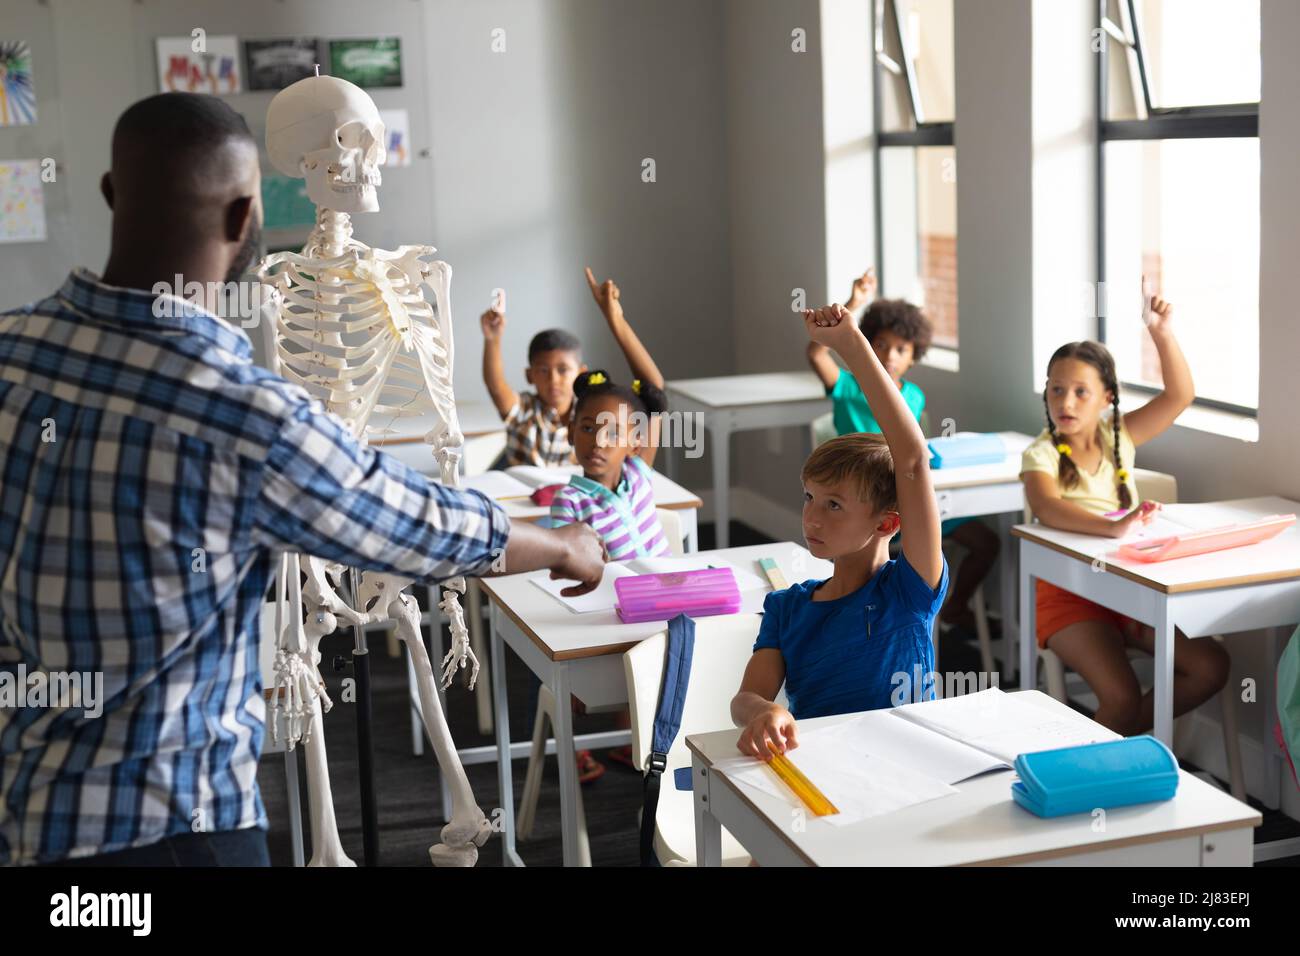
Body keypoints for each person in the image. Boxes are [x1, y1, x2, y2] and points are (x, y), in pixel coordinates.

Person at [0, 93, 603, 867]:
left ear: (112, 193)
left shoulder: (13, 353)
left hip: (33, 817)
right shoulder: (240, 411)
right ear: (247, 215)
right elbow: (409, 523)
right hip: (181, 826)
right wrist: (558, 547)